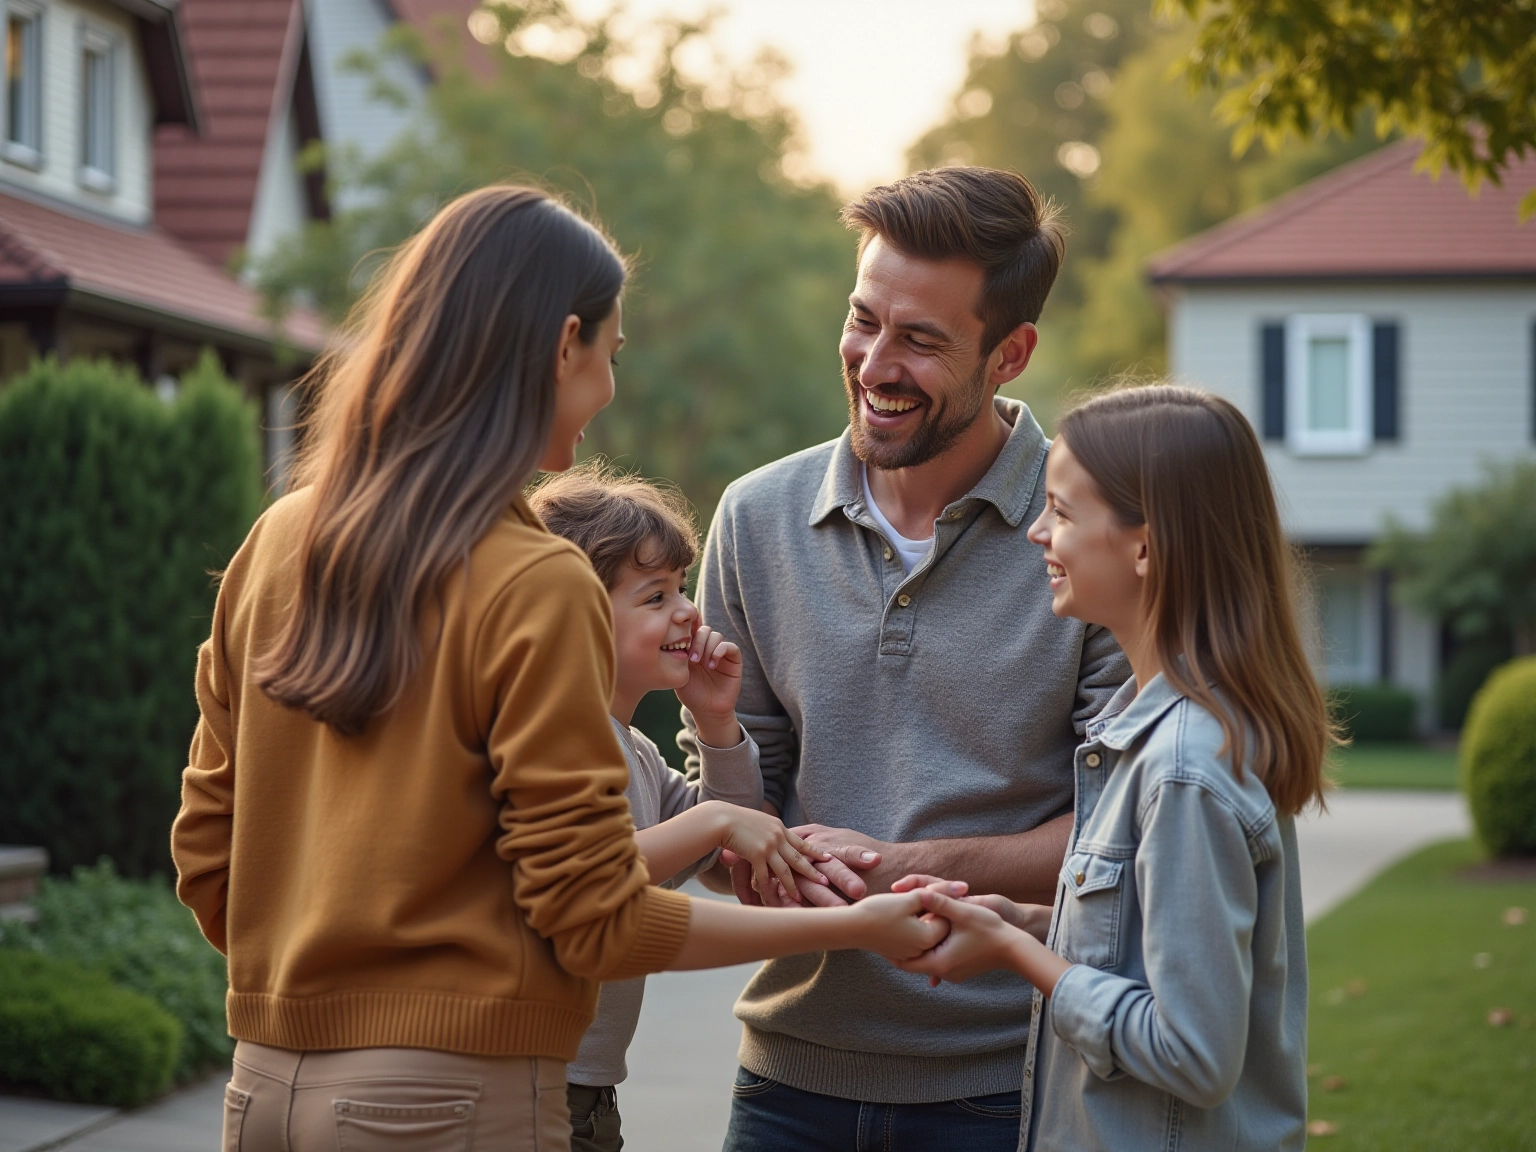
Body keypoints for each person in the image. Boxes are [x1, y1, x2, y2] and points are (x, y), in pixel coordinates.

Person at [170, 185, 944, 1152]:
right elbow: (597, 921)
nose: (610, 390)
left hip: (263, 1093)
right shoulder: (533, 581)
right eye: (610, 358)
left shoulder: (278, 540)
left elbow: (208, 857)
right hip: (448, 1107)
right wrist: (853, 926)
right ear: (562, 345)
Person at [681, 166, 1130, 1151]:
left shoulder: (1093, 537)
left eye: (921, 340)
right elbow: (724, 843)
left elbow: (1123, 839)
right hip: (787, 1083)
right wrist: (755, 845)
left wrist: (900, 866)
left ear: (1010, 352)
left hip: (1009, 1084)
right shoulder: (756, 520)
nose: (874, 362)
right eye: (863, 320)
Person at [897, 383, 1329, 1151]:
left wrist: (1017, 957)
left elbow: (1192, 1055)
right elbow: (1145, 947)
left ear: (1144, 547)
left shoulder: (1185, 769)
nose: (1036, 534)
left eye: (1062, 513)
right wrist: (1022, 920)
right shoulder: (1159, 735)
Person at [529, 463, 836, 1151]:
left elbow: (704, 849)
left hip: (585, 1086)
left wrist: (716, 722)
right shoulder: (551, 735)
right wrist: (718, 820)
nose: (689, 613)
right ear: (571, 612)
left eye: (682, 588)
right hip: (535, 1085)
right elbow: (593, 873)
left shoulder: (630, 747)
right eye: (656, 596)